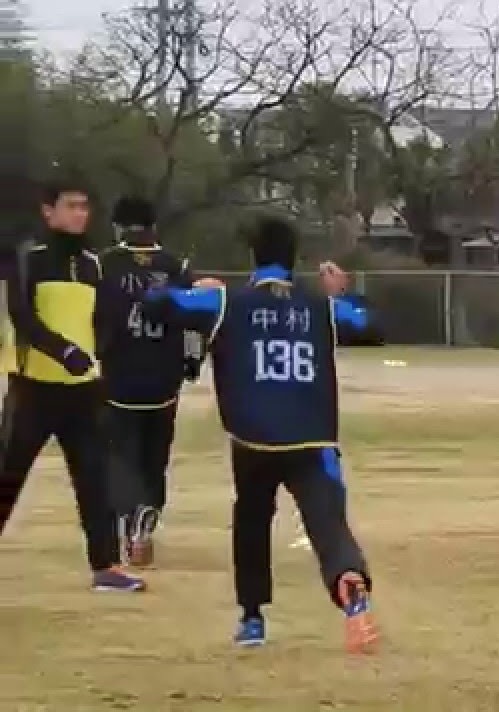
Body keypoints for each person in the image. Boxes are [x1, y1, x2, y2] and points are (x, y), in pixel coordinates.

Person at [147, 215, 377, 653]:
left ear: (253, 256)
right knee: (328, 522)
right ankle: (349, 581)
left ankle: (252, 618)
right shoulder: (320, 306)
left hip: (252, 437)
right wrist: (344, 293)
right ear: (294, 260)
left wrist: (198, 287)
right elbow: (370, 325)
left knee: (252, 520)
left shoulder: (228, 302)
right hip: (312, 437)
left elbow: (158, 303)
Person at [0, 180, 144, 592]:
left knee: (96, 480)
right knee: (7, 476)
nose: (81, 213)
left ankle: (106, 567)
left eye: (85, 206)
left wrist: (99, 354)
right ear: (49, 211)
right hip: (33, 388)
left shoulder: (92, 265)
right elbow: (22, 317)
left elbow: (105, 319)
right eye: (72, 206)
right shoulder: (28, 258)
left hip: (83, 391)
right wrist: (63, 352)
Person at [98, 196, 202, 567]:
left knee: (121, 454)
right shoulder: (175, 266)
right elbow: (193, 316)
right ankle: (148, 515)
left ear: (119, 227)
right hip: (163, 374)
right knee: (155, 456)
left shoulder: (106, 264)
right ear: (153, 226)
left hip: (119, 373)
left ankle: (131, 514)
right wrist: (191, 360)